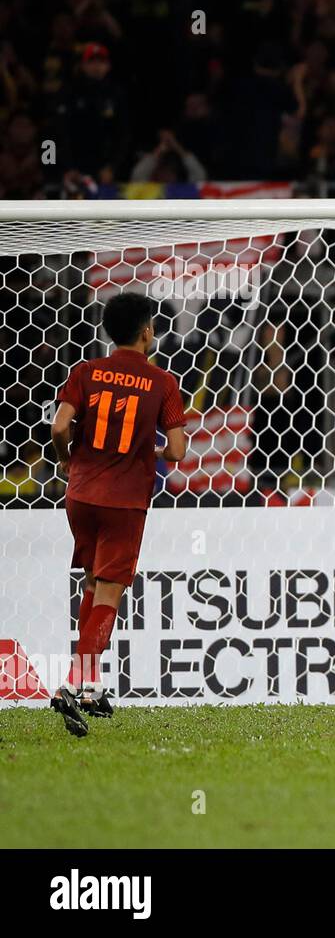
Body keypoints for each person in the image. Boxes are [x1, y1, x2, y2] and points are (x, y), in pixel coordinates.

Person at [49, 292, 188, 736]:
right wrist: (146, 444)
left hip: (81, 494)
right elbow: (180, 450)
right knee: (110, 591)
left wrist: (66, 459)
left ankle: (90, 688)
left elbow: (58, 426)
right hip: (124, 500)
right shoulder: (162, 382)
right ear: (147, 332)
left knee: (93, 581)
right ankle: (72, 684)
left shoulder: (85, 372)